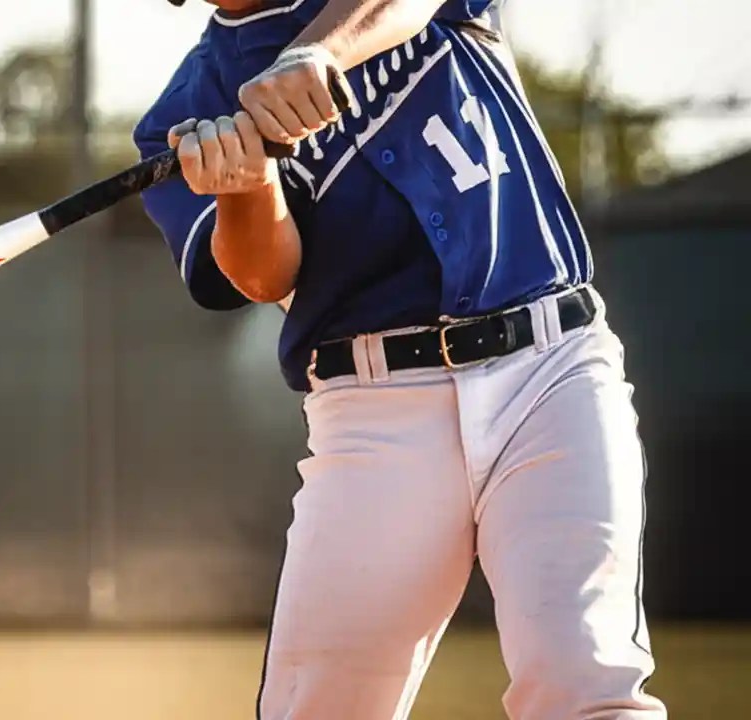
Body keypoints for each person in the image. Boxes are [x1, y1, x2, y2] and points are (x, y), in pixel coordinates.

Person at [133, 1, 667, 718]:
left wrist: (318, 51)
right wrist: (249, 187)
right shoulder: (186, 109)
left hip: (550, 367)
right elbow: (262, 278)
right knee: (319, 706)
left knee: (584, 683)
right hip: (376, 410)